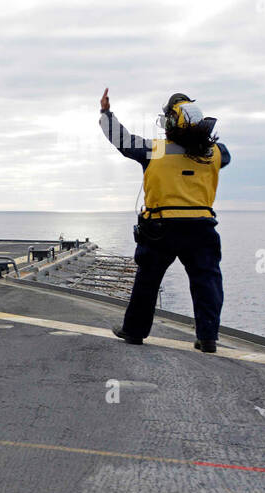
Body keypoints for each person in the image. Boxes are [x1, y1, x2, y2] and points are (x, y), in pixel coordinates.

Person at [99, 88, 231, 353]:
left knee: (147, 281)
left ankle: (134, 332)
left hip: (161, 229)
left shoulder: (154, 150)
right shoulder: (218, 152)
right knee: (207, 282)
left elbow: (123, 141)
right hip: (201, 229)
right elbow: (221, 156)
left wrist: (106, 113)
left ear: (170, 122)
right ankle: (208, 338)